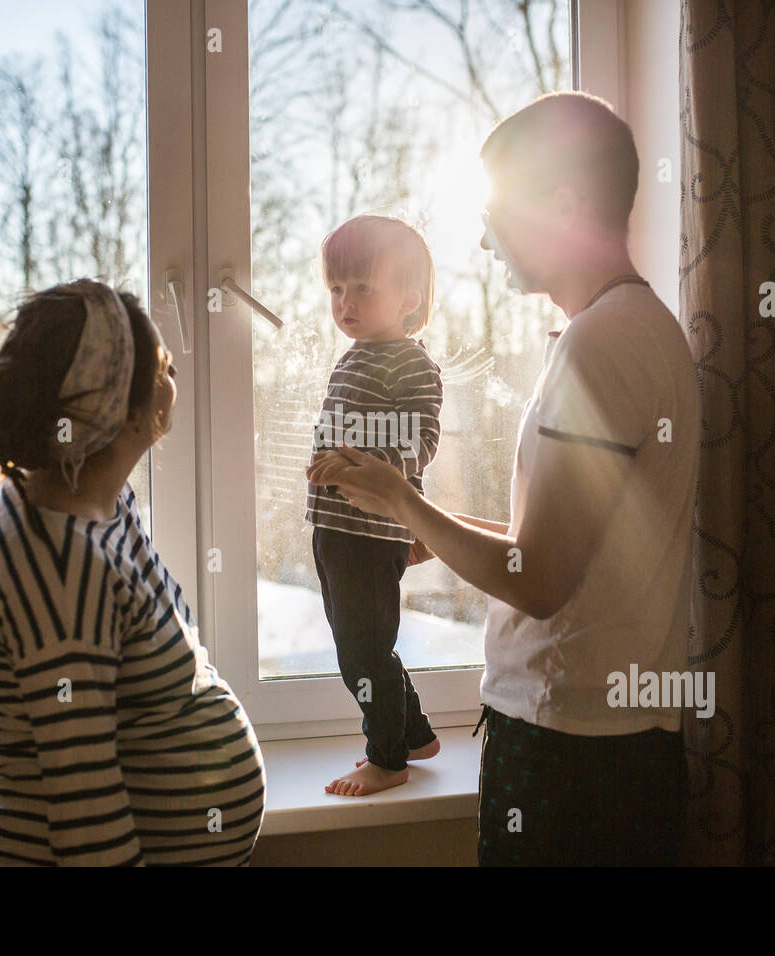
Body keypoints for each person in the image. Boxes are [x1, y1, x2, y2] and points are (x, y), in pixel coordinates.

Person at [308, 92, 700, 864]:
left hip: (570, 750)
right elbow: (563, 547)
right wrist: (438, 528)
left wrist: (399, 498)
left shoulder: (601, 346)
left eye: (496, 213)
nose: (485, 240)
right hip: (606, 739)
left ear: (564, 205)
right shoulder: (631, 328)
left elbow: (539, 580)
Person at [0, 279, 265, 865]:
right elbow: (86, 819)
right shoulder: (58, 564)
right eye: (161, 366)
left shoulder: (101, 508)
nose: (174, 375)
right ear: (117, 408)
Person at [306, 215, 444, 797]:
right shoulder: (352, 357)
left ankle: (387, 759)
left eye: (362, 287)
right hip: (336, 528)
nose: (346, 302)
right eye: (337, 288)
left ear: (408, 298)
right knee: (357, 642)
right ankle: (414, 734)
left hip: (368, 532)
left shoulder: (411, 363)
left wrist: (370, 475)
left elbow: (420, 442)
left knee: (362, 650)